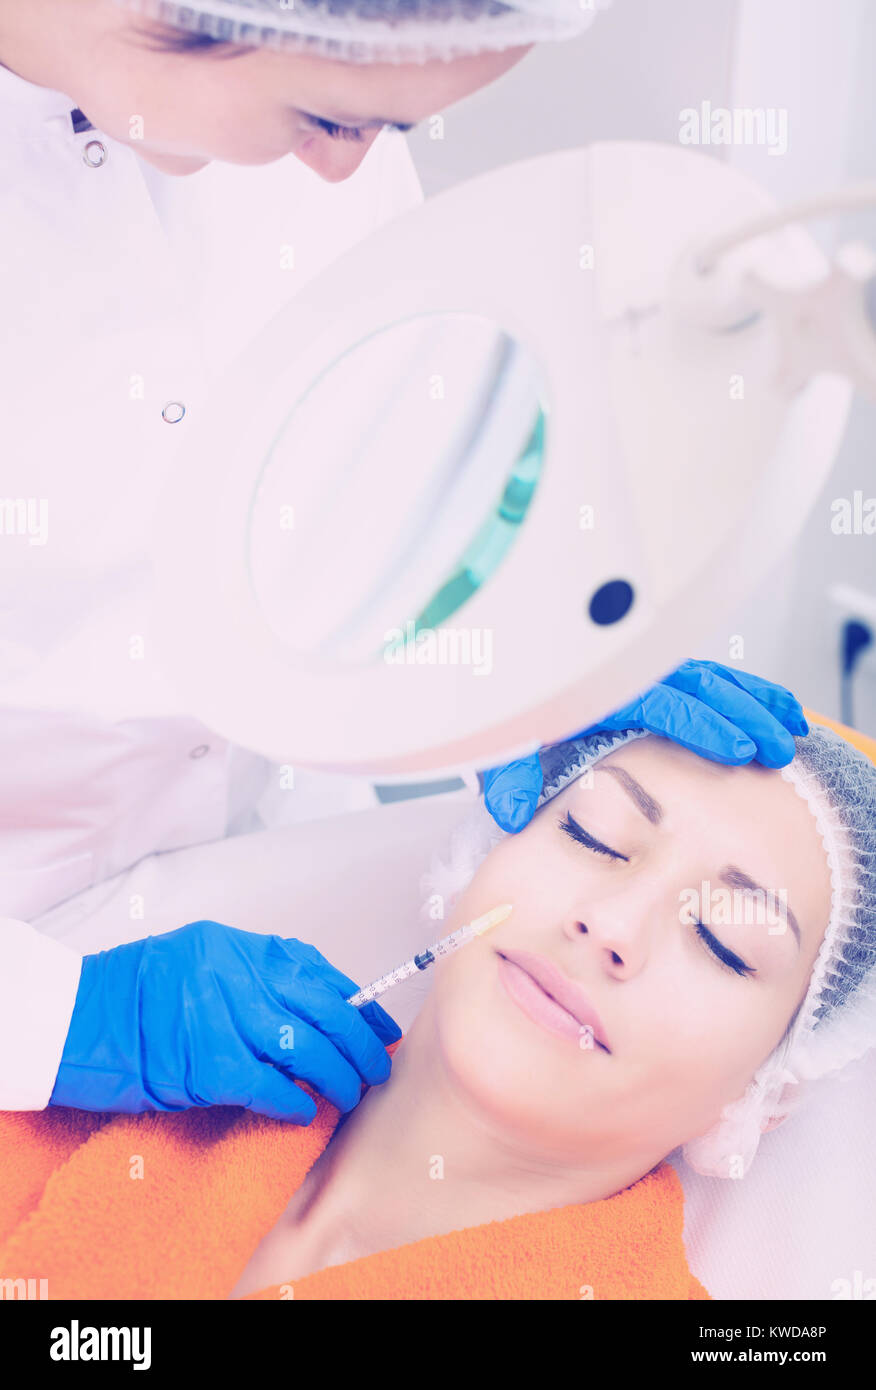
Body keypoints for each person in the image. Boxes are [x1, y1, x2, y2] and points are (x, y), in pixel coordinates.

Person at [0, 0, 805, 1120]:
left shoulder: (291, 160)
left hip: (247, 874)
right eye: (330, 118)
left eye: (395, 131)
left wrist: (516, 670)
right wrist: (53, 1020)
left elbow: (367, 487)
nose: (343, 171)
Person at [1, 716, 872, 1299]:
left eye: (723, 939)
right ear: (478, 856)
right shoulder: (80, 1064)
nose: (609, 921)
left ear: (763, 1093)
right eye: (593, 834)